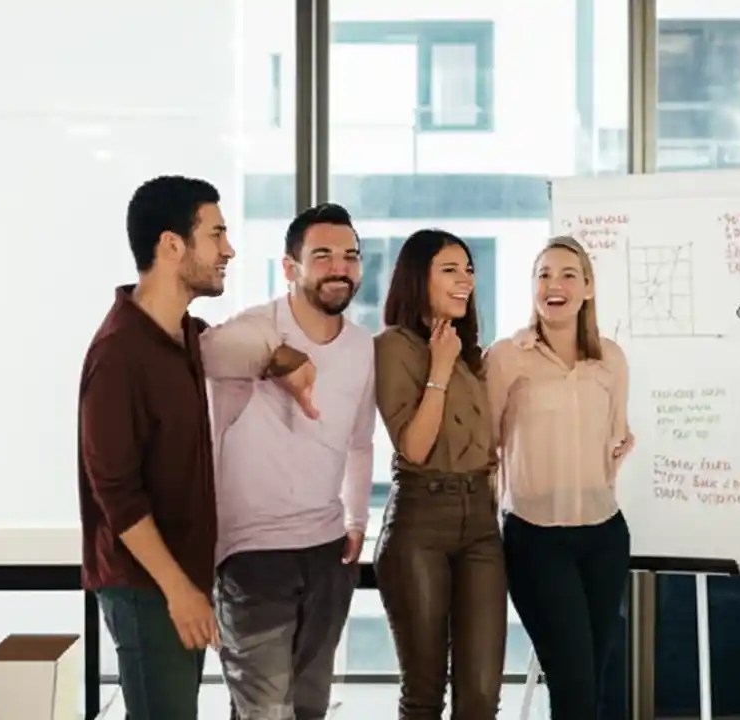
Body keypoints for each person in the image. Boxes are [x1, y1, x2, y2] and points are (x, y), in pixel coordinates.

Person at [201, 202, 375, 720]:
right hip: (252, 555)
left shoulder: (364, 347)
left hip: (326, 554)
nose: (339, 267)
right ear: (290, 267)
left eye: (350, 255)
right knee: (264, 713)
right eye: (322, 255)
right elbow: (200, 351)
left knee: (308, 708)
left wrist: (357, 519)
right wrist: (277, 357)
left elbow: (360, 441)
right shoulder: (257, 327)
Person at [77, 175, 233, 719]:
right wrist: (178, 590)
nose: (228, 250)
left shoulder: (184, 336)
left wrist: (285, 361)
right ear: (172, 245)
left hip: (182, 582)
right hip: (149, 588)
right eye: (216, 235)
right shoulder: (118, 354)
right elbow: (116, 493)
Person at [484, 236, 635, 719]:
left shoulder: (610, 359)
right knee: (572, 682)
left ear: (588, 287)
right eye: (544, 274)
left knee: (591, 681)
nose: (555, 284)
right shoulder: (507, 356)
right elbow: (485, 449)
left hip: (605, 536)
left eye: (568, 274)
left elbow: (617, 436)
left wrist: (620, 445)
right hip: (536, 539)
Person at [373, 229, 507, 719]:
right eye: (449, 269)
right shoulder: (393, 346)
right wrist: (440, 368)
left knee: (480, 695)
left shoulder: (471, 356)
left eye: (469, 269)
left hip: (480, 526)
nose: (465, 280)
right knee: (425, 693)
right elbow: (414, 445)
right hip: (420, 521)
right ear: (417, 277)